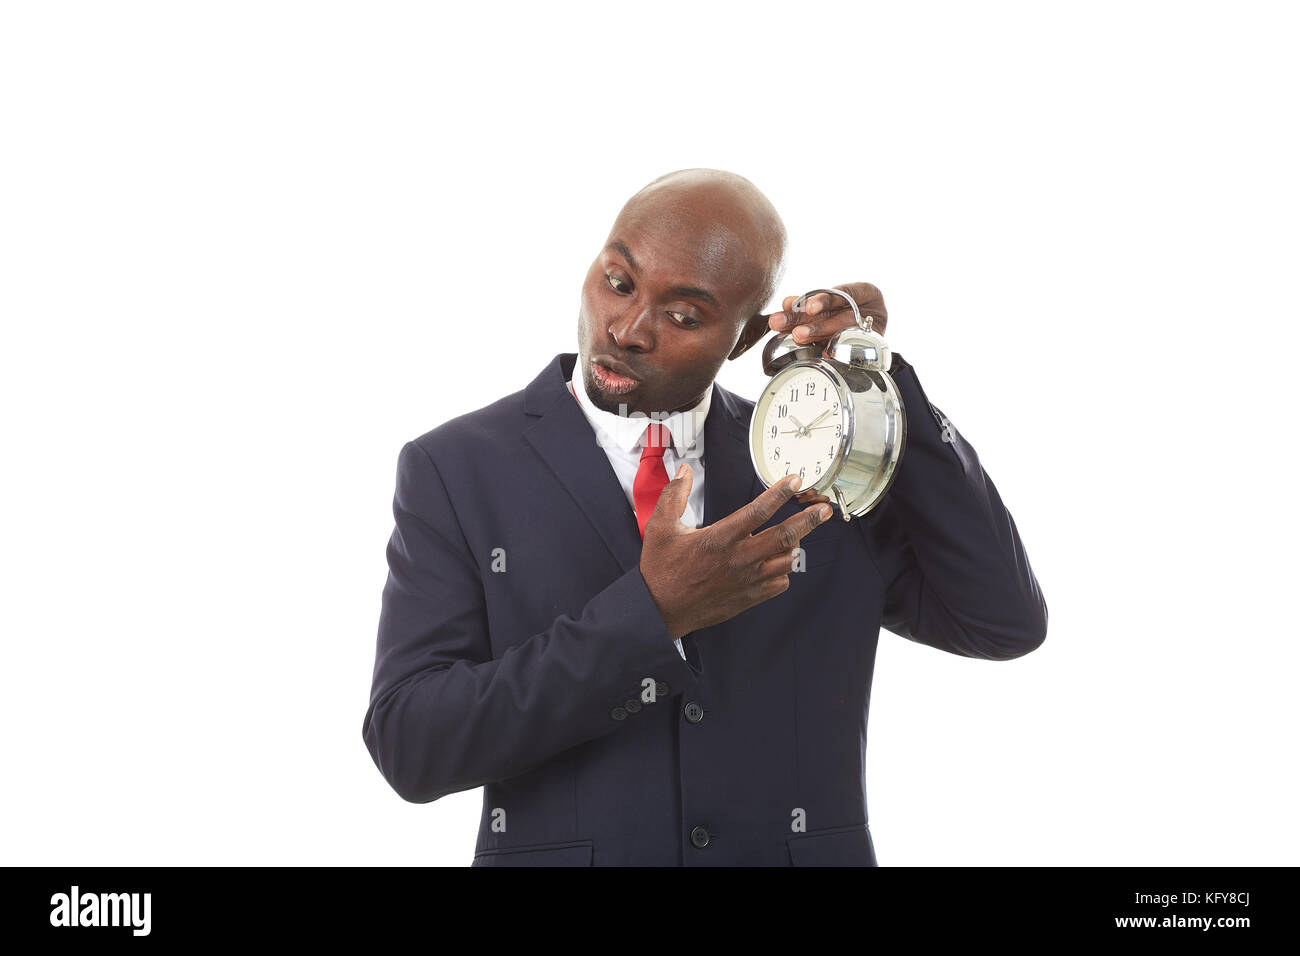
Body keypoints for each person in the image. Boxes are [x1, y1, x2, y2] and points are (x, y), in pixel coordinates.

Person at [360, 168, 1048, 866]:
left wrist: (881, 386)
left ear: (747, 338)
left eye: (684, 316)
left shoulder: (815, 465)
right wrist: (650, 615)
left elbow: (1000, 621)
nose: (628, 330)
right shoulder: (455, 469)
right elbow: (412, 744)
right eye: (619, 282)